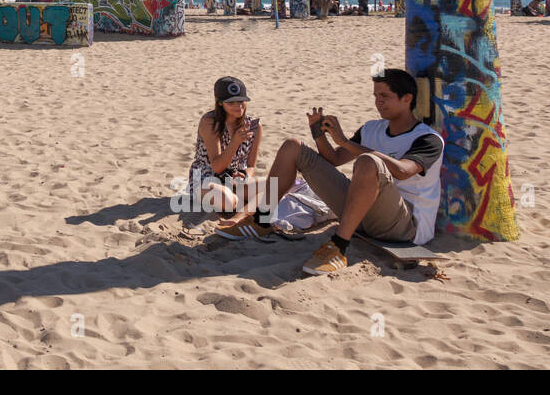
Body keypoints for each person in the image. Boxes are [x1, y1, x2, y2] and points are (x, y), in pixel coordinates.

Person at [218, 68, 444, 276]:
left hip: (403, 226)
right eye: (375, 96)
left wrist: (345, 141)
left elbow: (403, 172)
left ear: (407, 99)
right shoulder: (372, 128)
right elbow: (334, 160)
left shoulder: (428, 139)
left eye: (384, 97)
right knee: (293, 146)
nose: (378, 102)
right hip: (360, 214)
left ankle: (339, 247)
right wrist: (319, 134)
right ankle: (262, 220)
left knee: (368, 162)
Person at [186, 77, 262, 214]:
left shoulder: (254, 126)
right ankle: (241, 201)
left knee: (275, 187)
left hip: (234, 181)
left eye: (241, 101)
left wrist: (244, 176)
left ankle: (238, 199)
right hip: (205, 177)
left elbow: (251, 166)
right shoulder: (210, 122)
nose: (238, 106)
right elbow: (217, 166)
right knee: (226, 200)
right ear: (220, 103)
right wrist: (235, 142)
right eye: (231, 102)